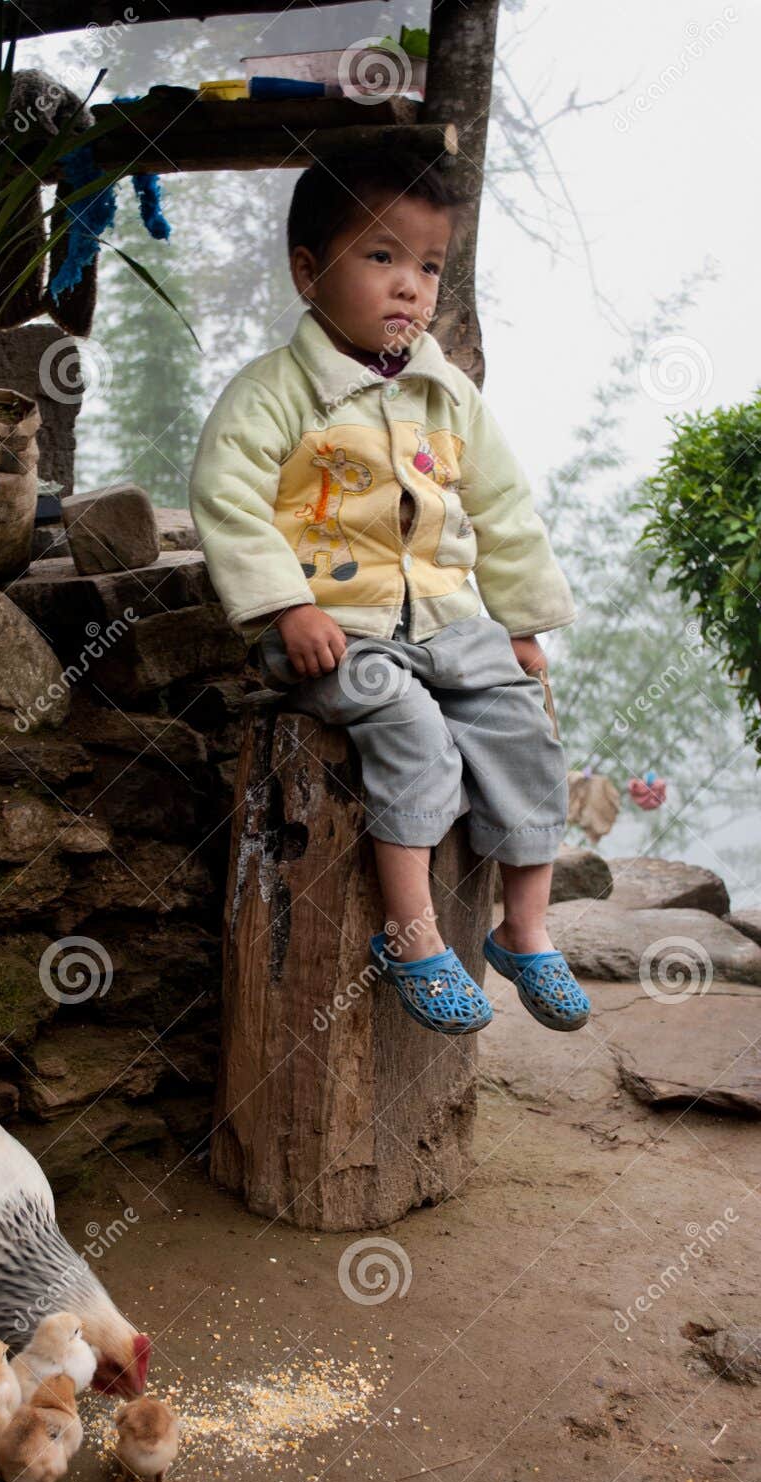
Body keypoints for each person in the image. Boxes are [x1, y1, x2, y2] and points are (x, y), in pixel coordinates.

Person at [188, 147, 591, 1036]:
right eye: (381, 256)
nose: (410, 285)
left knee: (523, 725)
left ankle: (523, 930)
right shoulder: (274, 393)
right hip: (335, 632)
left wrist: (522, 623)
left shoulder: (448, 398)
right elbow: (228, 500)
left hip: (447, 624)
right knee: (410, 728)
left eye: (429, 266)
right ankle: (412, 936)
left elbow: (503, 509)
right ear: (308, 272)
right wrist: (286, 606)